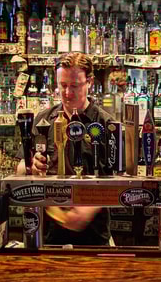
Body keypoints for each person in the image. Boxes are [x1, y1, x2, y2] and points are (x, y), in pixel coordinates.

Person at [16, 52, 113, 246]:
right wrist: (31, 167)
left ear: (89, 82)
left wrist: (91, 206)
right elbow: (20, 168)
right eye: (63, 85)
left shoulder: (105, 123)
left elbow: (116, 178)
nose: (67, 93)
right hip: (49, 232)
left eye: (74, 86)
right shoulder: (43, 120)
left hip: (93, 233)